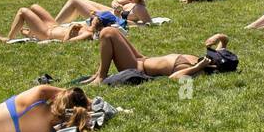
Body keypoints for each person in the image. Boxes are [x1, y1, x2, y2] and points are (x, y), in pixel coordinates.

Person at [88, 27, 227, 82]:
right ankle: (99, 72)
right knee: (114, 31)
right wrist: (219, 37)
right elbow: (224, 43)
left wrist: (197, 67)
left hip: (136, 68)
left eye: (215, 57)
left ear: (215, 66)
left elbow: (173, 78)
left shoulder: (200, 71)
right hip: (142, 59)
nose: (212, 55)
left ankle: (101, 76)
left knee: (107, 33)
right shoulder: (209, 61)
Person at [0, 4, 114, 42]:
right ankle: (31, 33)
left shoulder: (88, 34)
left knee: (23, 11)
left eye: (95, 17)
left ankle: (8, 38)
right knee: (34, 7)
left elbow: (67, 42)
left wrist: (71, 28)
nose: (93, 17)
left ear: (98, 21)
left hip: (47, 33)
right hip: (54, 26)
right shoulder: (88, 27)